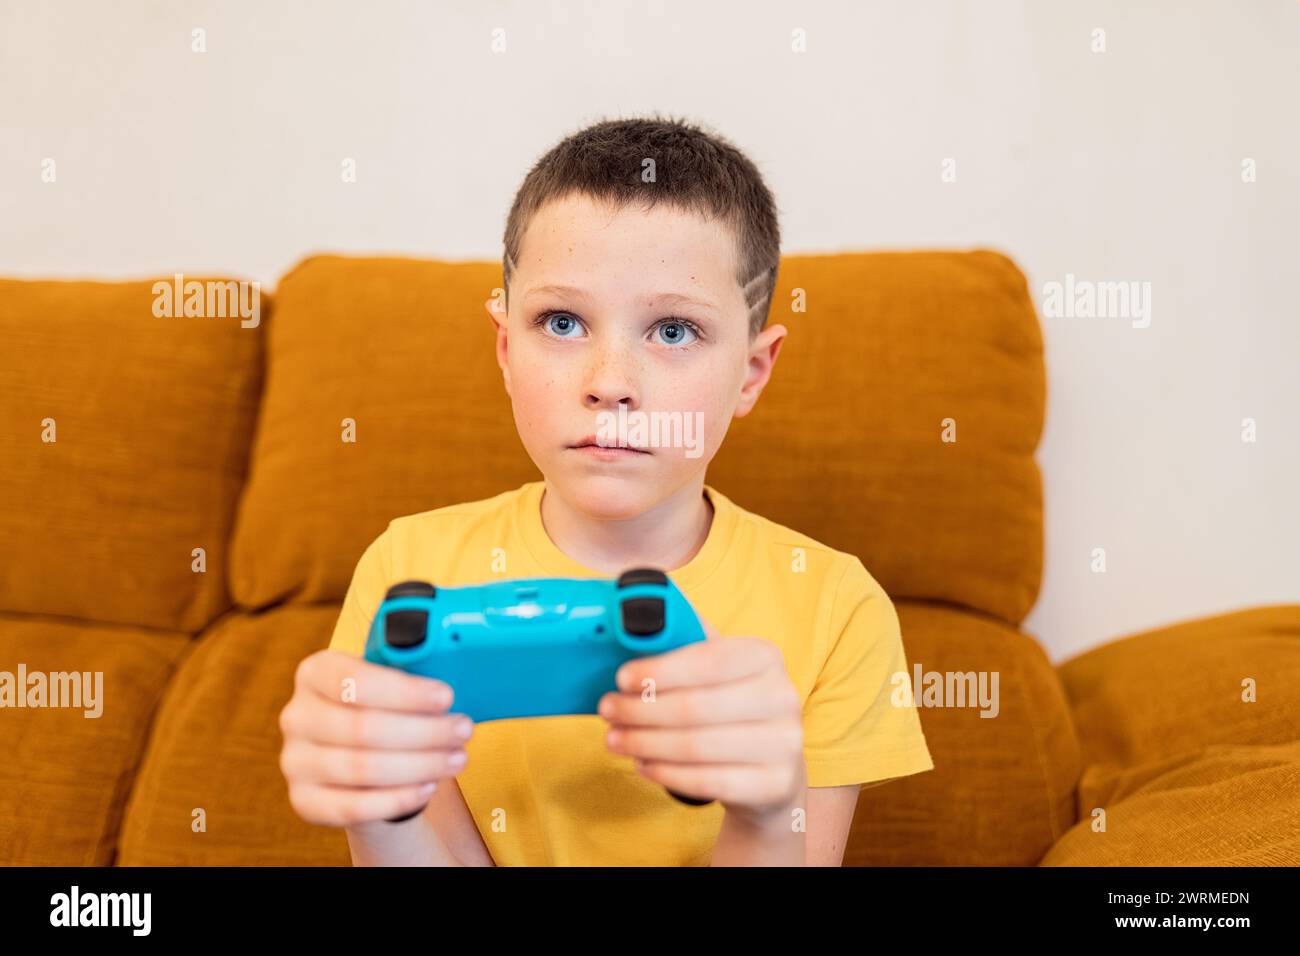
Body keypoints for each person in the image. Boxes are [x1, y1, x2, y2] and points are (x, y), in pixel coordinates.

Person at [278, 115, 933, 866]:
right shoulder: (409, 570)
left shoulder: (837, 606)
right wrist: (379, 811)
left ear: (751, 373)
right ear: (504, 347)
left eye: (675, 331)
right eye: (562, 321)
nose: (611, 384)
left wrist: (768, 811)